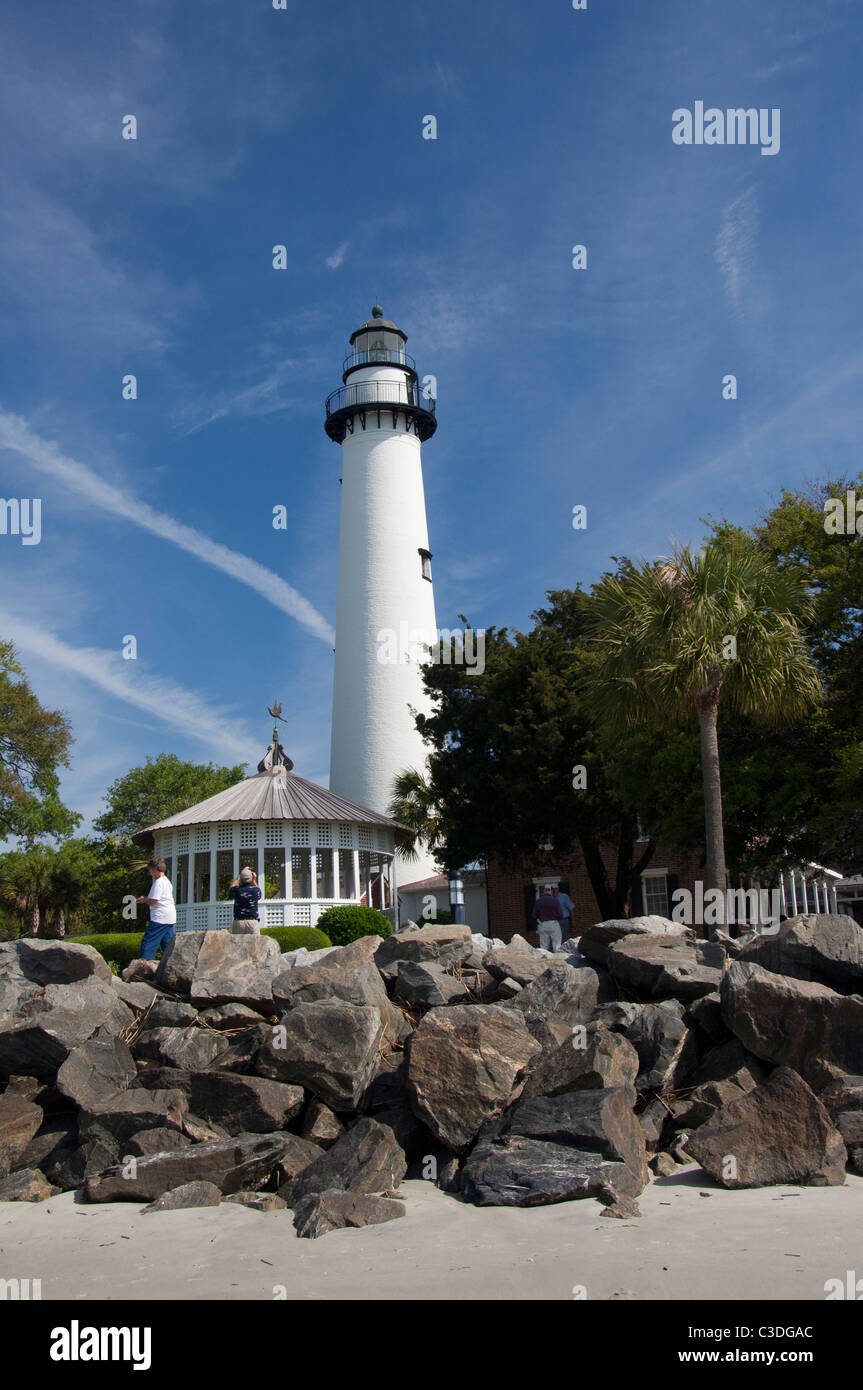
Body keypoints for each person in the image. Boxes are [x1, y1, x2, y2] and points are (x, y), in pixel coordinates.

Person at [137, 858, 176, 960]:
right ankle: (170, 963)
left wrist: (144, 900)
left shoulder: (159, 882)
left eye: (150, 870)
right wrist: (146, 899)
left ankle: (143, 963)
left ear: (154, 869)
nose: (150, 874)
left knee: (148, 941)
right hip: (170, 918)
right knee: (167, 945)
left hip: (160, 918)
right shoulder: (167, 881)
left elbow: (154, 901)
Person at [229, 865, 262, 934]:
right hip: (252, 922)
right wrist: (254, 880)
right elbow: (259, 892)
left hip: (238, 922)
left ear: (241, 878)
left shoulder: (236, 890)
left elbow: (232, 887)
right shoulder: (255, 890)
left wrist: (238, 877)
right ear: (251, 878)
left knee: (236, 941)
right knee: (255, 941)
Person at [531, 884, 564, 952]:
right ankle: (558, 958)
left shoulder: (538, 901)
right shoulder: (555, 901)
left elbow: (534, 915)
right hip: (553, 924)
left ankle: (544, 958)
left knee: (543, 947)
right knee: (557, 945)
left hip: (542, 924)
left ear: (544, 891)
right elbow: (560, 915)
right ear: (551, 891)